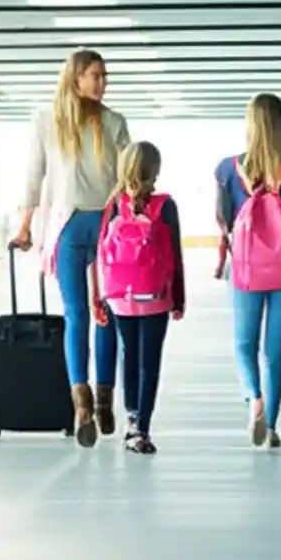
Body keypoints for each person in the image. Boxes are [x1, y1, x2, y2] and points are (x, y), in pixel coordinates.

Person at [10, 48, 132, 449]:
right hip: (90, 227)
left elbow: (35, 176)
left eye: (105, 76)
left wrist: (28, 225)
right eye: (94, 75)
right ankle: (88, 402)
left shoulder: (109, 121)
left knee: (90, 314)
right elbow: (33, 176)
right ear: (75, 77)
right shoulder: (51, 121)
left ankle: (96, 399)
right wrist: (25, 225)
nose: (102, 83)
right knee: (89, 314)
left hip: (90, 228)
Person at [214, 92, 281, 449]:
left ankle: (254, 399)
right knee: (274, 347)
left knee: (244, 343)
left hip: (246, 268)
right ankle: (272, 426)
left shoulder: (228, 168)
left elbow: (224, 220)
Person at [93, 141, 185, 455]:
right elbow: (175, 255)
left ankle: (131, 421)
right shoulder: (165, 206)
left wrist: (99, 296)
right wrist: (179, 297)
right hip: (156, 296)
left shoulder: (113, 205)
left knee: (128, 358)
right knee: (150, 363)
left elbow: (101, 254)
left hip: (121, 296)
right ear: (155, 170)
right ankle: (142, 428)